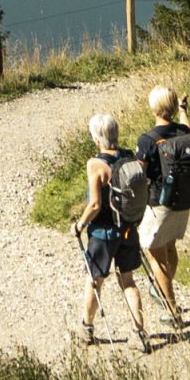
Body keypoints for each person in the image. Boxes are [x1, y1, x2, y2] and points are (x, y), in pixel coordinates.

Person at [70, 110, 152, 351]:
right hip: (128, 228)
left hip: (103, 234)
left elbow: (95, 204)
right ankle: (139, 333)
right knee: (128, 280)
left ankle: (87, 329)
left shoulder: (96, 164)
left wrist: (79, 225)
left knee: (94, 281)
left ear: (97, 138)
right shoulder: (130, 158)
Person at [133, 85, 190, 320]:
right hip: (182, 201)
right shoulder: (183, 133)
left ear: (154, 108)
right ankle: (162, 290)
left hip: (158, 204)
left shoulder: (147, 140)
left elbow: (138, 176)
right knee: (170, 248)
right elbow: (187, 125)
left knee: (155, 256)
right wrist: (183, 109)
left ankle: (172, 310)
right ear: (172, 107)